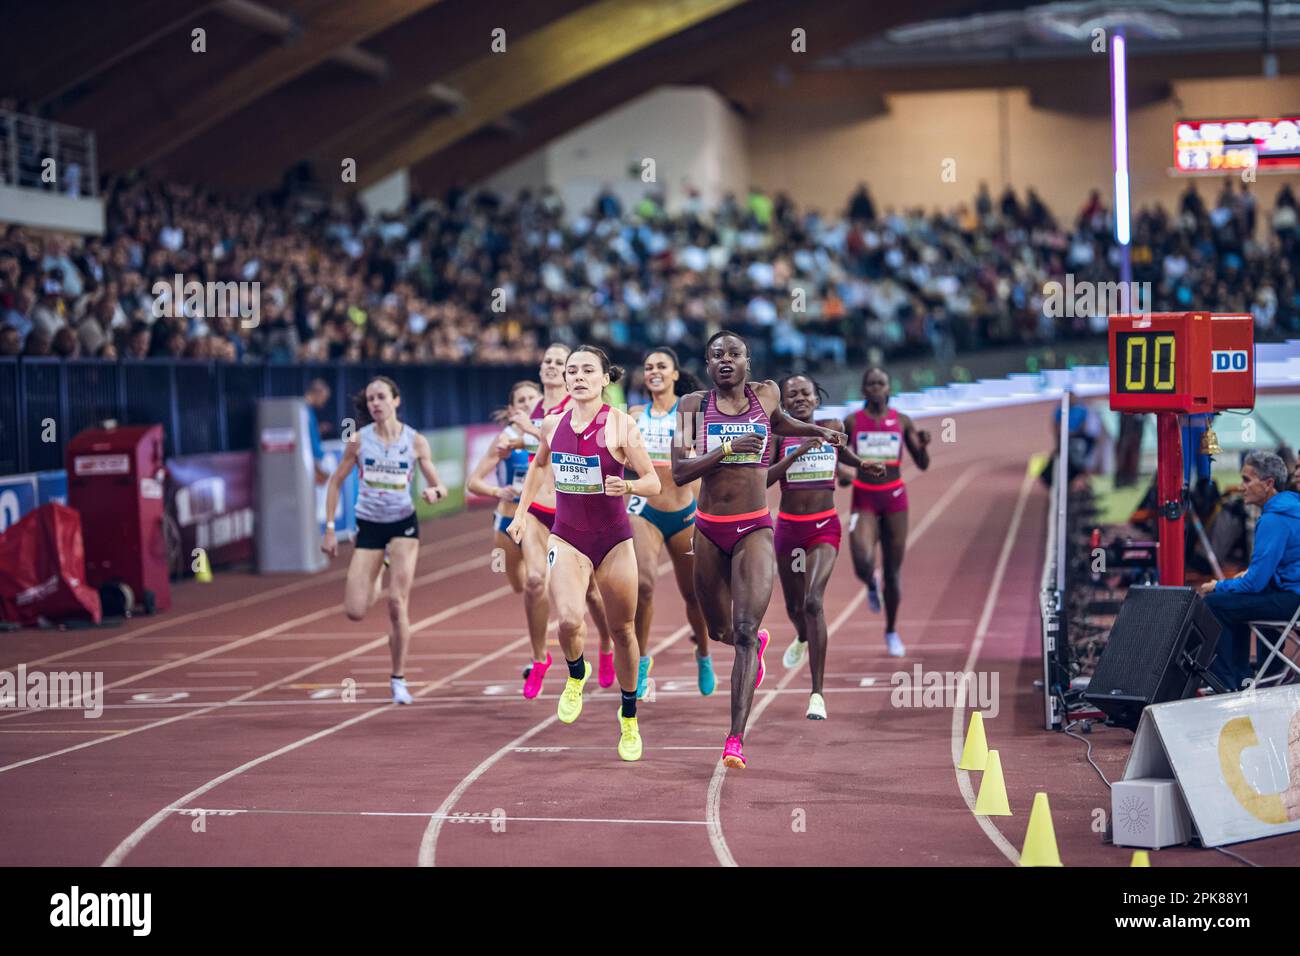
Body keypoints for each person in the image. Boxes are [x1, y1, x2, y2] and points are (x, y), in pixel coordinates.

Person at [672, 331, 844, 769]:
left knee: (744, 631)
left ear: (748, 360)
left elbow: (781, 424)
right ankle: (757, 645)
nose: (725, 360)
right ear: (708, 364)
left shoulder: (766, 395)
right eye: (716, 355)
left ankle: (734, 740)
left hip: (754, 527)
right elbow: (679, 471)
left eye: (733, 354)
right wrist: (727, 448)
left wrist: (817, 431)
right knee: (718, 632)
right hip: (709, 530)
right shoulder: (693, 406)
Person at [508, 345, 660, 761]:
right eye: (571, 370)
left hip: (614, 540)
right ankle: (577, 673)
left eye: (587, 370)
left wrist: (627, 486)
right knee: (569, 621)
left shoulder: (622, 425)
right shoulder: (552, 423)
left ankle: (628, 717)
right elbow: (539, 466)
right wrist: (521, 514)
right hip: (567, 536)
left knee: (623, 630)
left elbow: (653, 482)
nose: (576, 376)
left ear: (605, 379)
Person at [322, 376, 448, 704]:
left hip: (403, 524)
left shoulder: (416, 440)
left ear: (396, 400)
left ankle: (398, 679)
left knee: (396, 602)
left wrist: (434, 492)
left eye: (380, 397)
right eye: (370, 400)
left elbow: (439, 485)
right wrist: (331, 529)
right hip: (369, 526)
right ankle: (379, 569)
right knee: (355, 610)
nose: (374, 404)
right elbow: (335, 483)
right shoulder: (359, 441)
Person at [769, 374, 882, 720]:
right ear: (784, 404)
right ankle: (801, 636)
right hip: (789, 530)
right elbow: (767, 478)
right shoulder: (778, 436)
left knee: (813, 600)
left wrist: (862, 464)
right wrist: (798, 452)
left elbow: (842, 452)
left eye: (806, 393)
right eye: (792, 395)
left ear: (816, 400)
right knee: (794, 607)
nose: (800, 398)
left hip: (823, 528)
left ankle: (817, 693)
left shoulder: (831, 426)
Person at [510, 343, 616, 697]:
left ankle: (605, 644)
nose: (554, 367)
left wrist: (527, 430)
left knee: (593, 598)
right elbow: (537, 463)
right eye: (549, 362)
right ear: (541, 370)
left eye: (562, 362)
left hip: (573, 512)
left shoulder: (577, 405)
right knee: (534, 582)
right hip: (539, 512)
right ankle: (540, 658)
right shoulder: (536, 407)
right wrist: (520, 513)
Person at [626, 347, 714, 698]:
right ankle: (642, 664)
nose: (654, 371)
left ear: (675, 374)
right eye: (648, 367)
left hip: (683, 512)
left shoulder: (688, 413)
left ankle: (704, 655)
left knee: (693, 594)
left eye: (662, 366)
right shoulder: (633, 414)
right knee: (643, 586)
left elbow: (695, 464)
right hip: (643, 510)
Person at [843, 366, 931, 658]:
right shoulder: (852, 421)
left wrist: (924, 446)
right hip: (864, 498)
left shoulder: (902, 420)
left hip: (894, 499)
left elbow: (922, 463)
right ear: (864, 389)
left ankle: (891, 630)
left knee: (893, 571)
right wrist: (840, 471)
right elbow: (835, 451)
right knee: (862, 561)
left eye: (882, 383)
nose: (877, 388)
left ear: (889, 388)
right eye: (871, 383)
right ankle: (870, 582)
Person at [1199, 451, 1300, 691]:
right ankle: (1269, 673)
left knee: (1216, 603)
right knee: (1245, 598)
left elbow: (1254, 584)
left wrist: (1218, 585)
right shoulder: (1292, 506)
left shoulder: (1274, 519)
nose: (1241, 487)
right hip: (1294, 595)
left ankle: (1226, 682)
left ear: (1268, 484)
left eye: (1247, 480)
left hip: (1293, 600)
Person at [466, 380, 545, 674]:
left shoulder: (548, 433)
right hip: (508, 521)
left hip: (540, 519)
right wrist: (498, 492)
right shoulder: (504, 439)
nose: (526, 404)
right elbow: (473, 481)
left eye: (531, 399)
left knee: (539, 584)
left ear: (541, 402)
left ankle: (539, 655)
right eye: (520, 400)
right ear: (512, 409)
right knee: (519, 585)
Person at [305, 378, 332, 485]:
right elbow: (307, 440)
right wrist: (317, 467)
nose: (323, 403)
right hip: (313, 462)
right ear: (317, 393)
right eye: (324, 398)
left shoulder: (309, 411)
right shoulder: (304, 411)